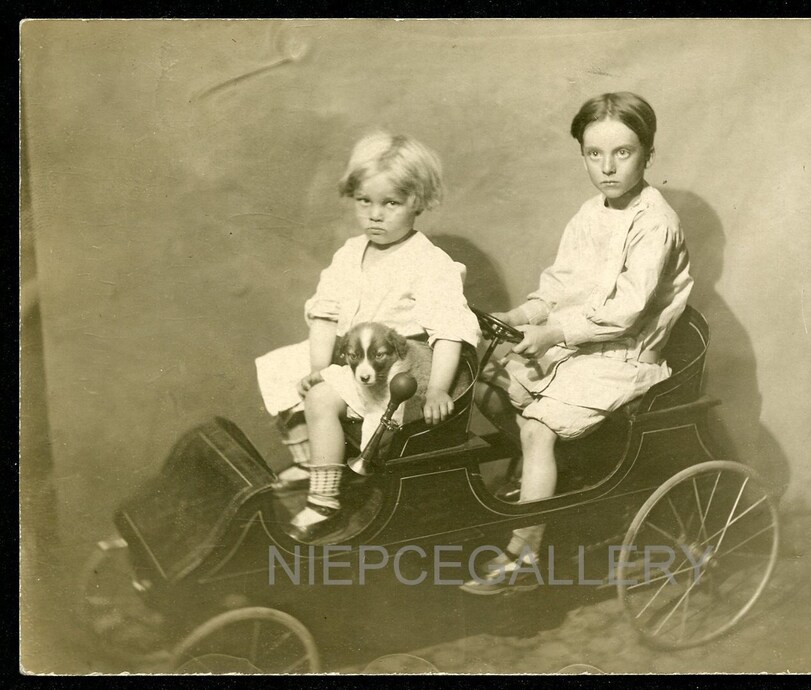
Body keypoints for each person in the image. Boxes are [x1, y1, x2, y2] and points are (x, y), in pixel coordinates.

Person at [461, 92, 694, 594]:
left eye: (623, 152)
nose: (607, 167)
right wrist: (518, 316)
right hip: (578, 350)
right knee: (485, 387)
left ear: (648, 154)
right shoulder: (590, 214)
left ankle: (524, 554)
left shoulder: (655, 222)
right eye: (594, 154)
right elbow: (559, 286)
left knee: (537, 428)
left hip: (623, 358)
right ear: (583, 155)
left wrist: (551, 333)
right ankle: (548, 482)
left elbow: (625, 312)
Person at [255, 131, 480, 542]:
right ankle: (315, 461)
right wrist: (319, 367)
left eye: (390, 203)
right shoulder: (350, 253)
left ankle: (324, 500)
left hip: (403, 370)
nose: (375, 215)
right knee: (281, 366)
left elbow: (450, 331)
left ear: (418, 201)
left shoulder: (429, 262)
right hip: (358, 357)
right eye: (364, 201)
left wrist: (438, 390)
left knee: (320, 398)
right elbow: (325, 313)